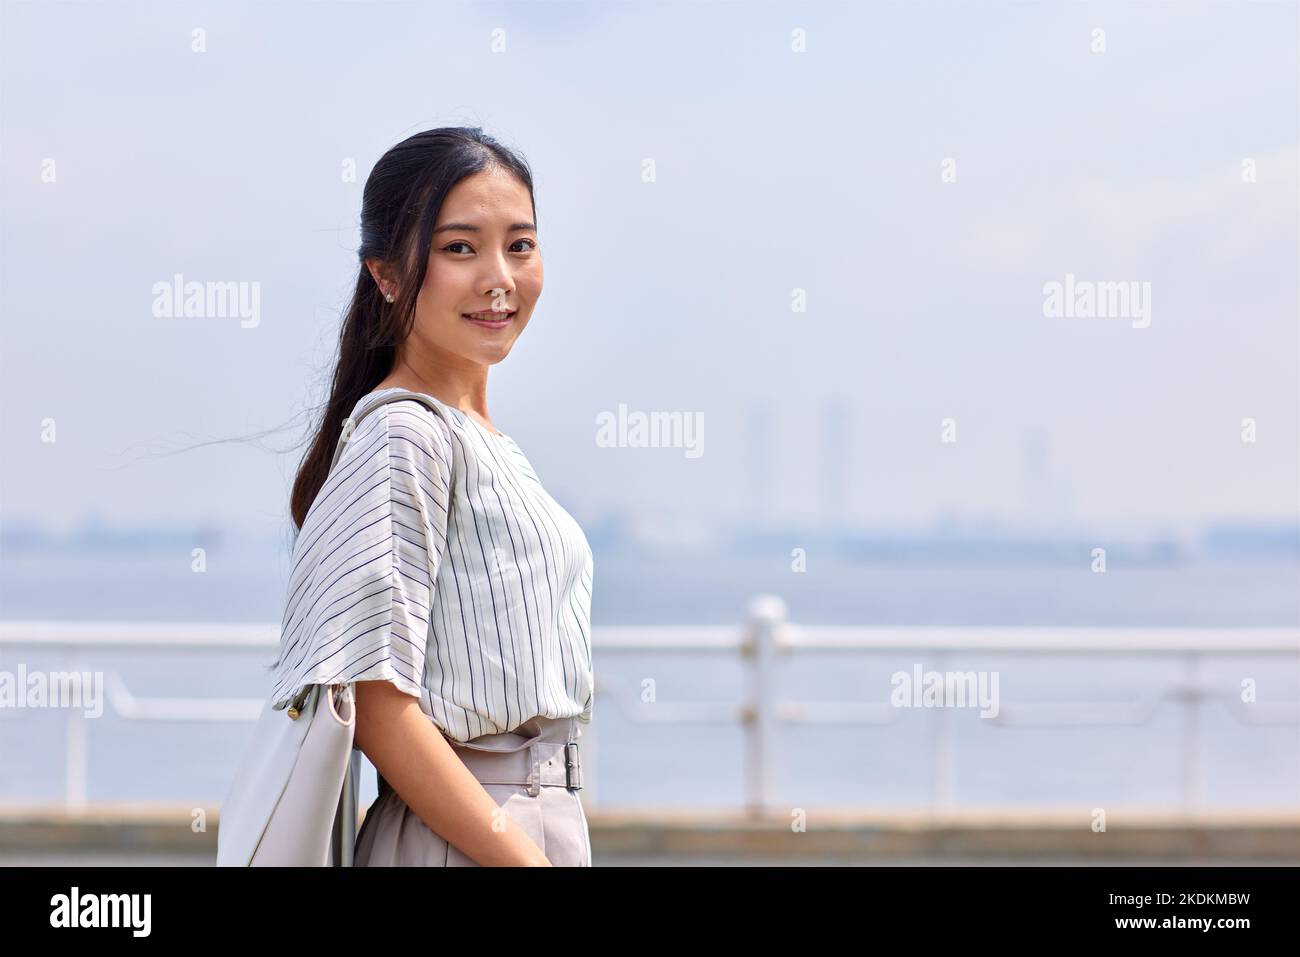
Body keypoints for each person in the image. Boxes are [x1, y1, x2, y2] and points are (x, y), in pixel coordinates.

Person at [266, 127, 594, 866]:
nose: (497, 276)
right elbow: (378, 703)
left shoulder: (482, 441)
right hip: (466, 836)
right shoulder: (404, 437)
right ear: (385, 273)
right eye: (459, 248)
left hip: (517, 824)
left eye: (519, 244)